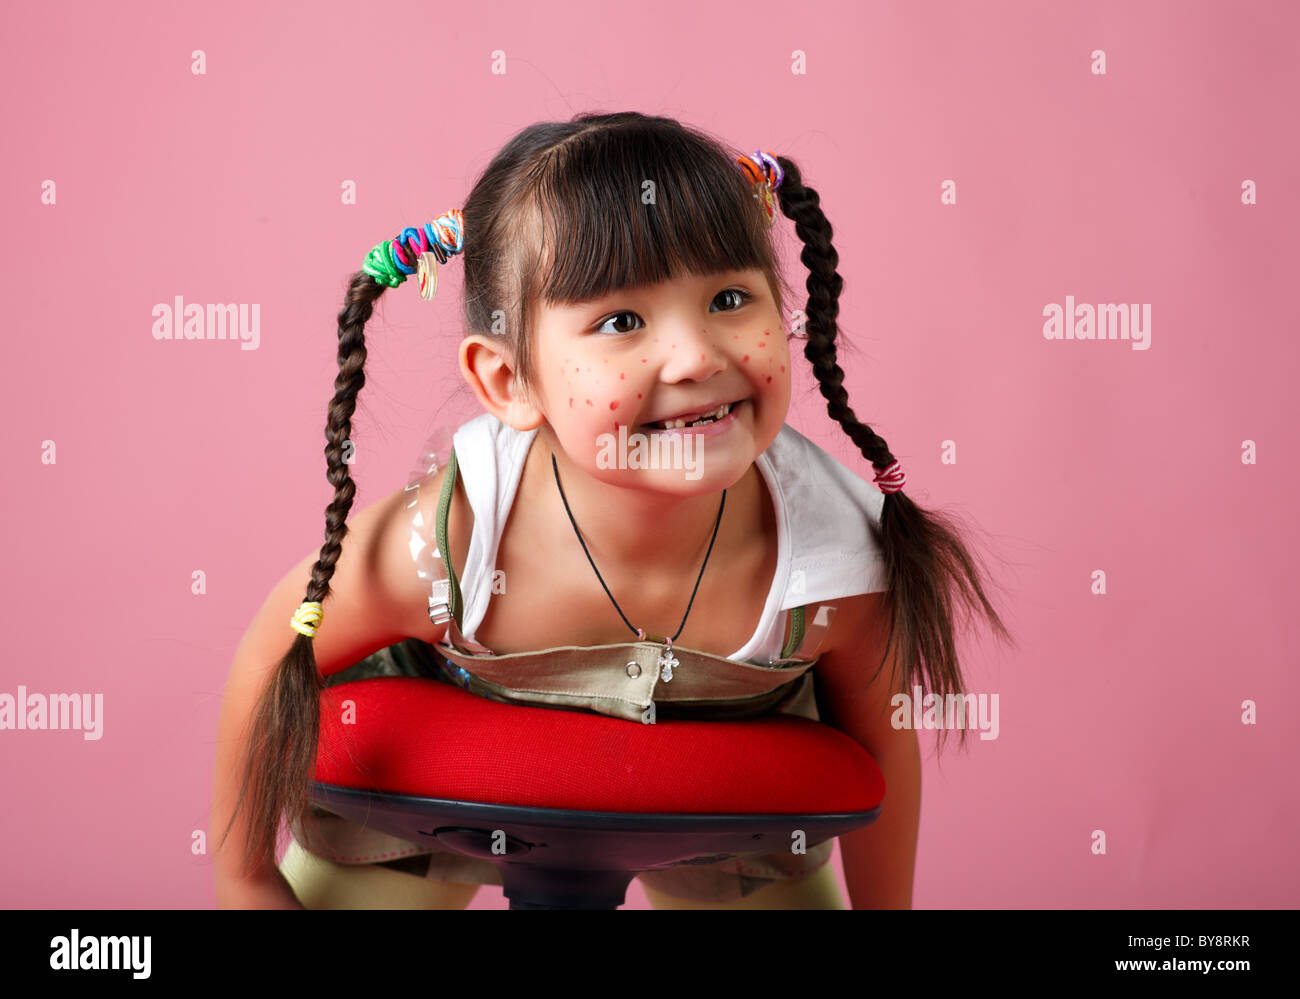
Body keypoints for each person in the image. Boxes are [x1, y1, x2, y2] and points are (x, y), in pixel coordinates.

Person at [210, 111, 1014, 910]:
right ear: (507, 382)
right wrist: (244, 873)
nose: (698, 356)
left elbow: (882, 744)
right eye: (621, 321)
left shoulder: (833, 560)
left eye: (731, 297)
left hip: (725, 814)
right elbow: (271, 657)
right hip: (429, 810)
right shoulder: (448, 539)